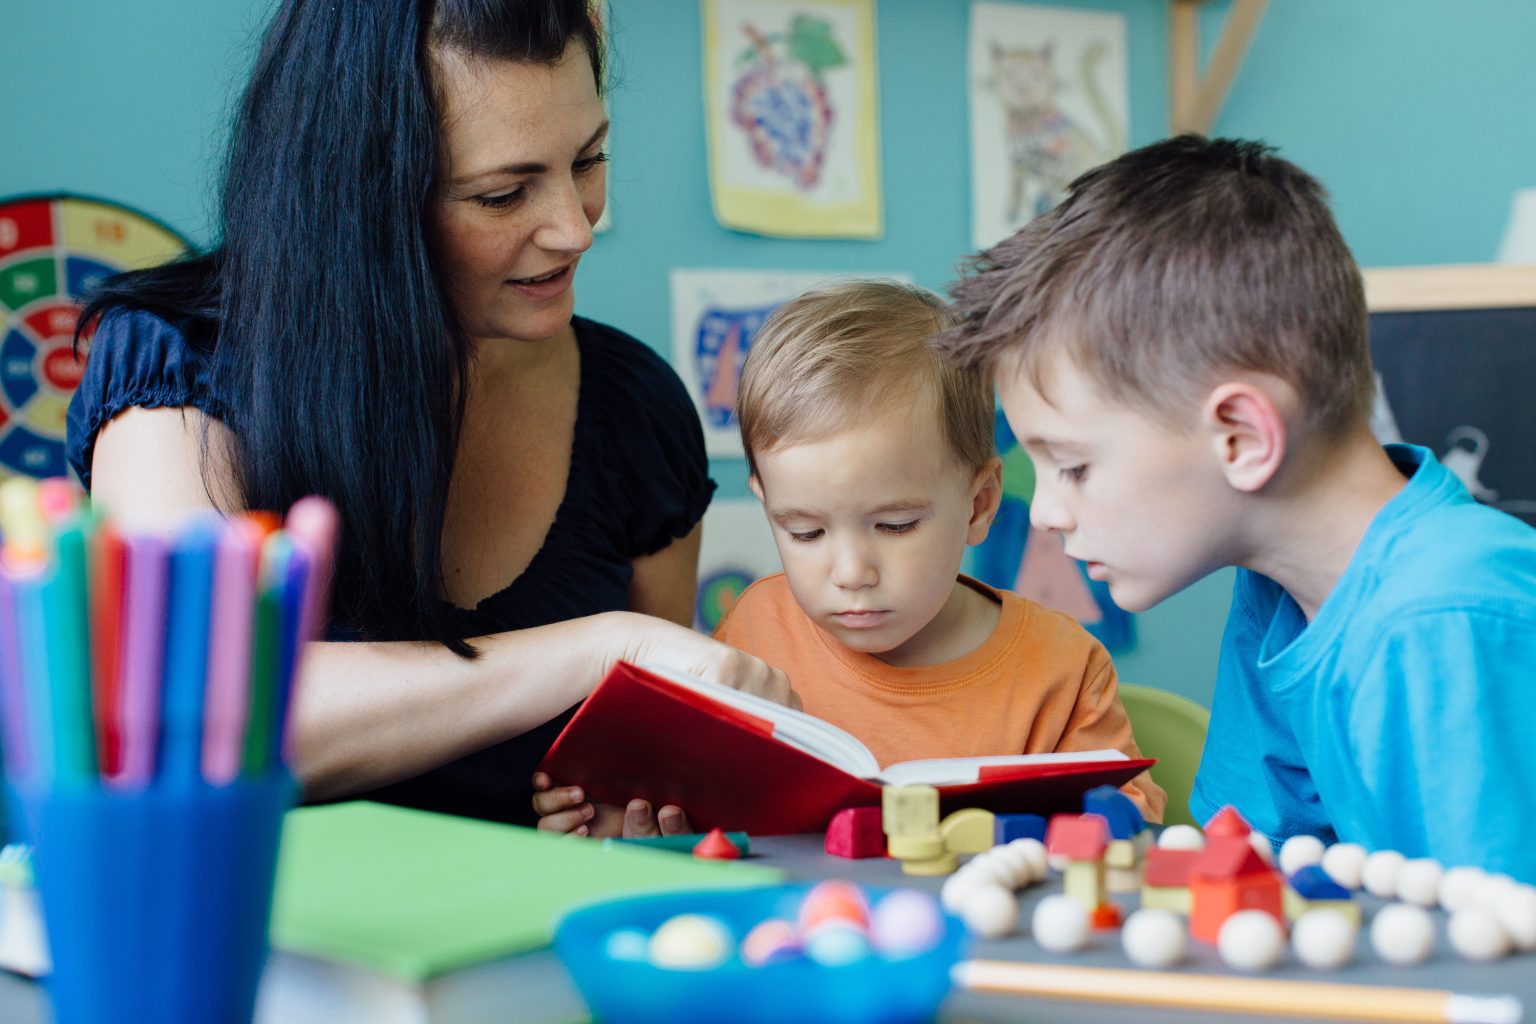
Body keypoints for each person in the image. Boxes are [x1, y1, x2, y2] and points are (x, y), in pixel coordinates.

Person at [65, 0, 789, 829]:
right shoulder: (178, 367)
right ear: (362, 197)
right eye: (503, 193)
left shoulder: (634, 408)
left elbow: (641, 759)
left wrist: (641, 804)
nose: (572, 228)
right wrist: (594, 649)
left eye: (588, 160)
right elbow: (192, 716)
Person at [937, 135, 1536, 877]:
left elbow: (1501, 965)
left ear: (1243, 437)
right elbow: (1252, 867)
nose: (1047, 513)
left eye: (1073, 465)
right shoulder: (1281, 585)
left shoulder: (1446, 617)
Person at [534, 280, 1164, 834]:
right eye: (804, 532)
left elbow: (1128, 818)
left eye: (894, 525)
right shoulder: (754, 631)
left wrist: (1100, 828)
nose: (851, 573)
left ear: (979, 504)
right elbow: (698, 810)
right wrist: (628, 821)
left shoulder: (1063, 665)